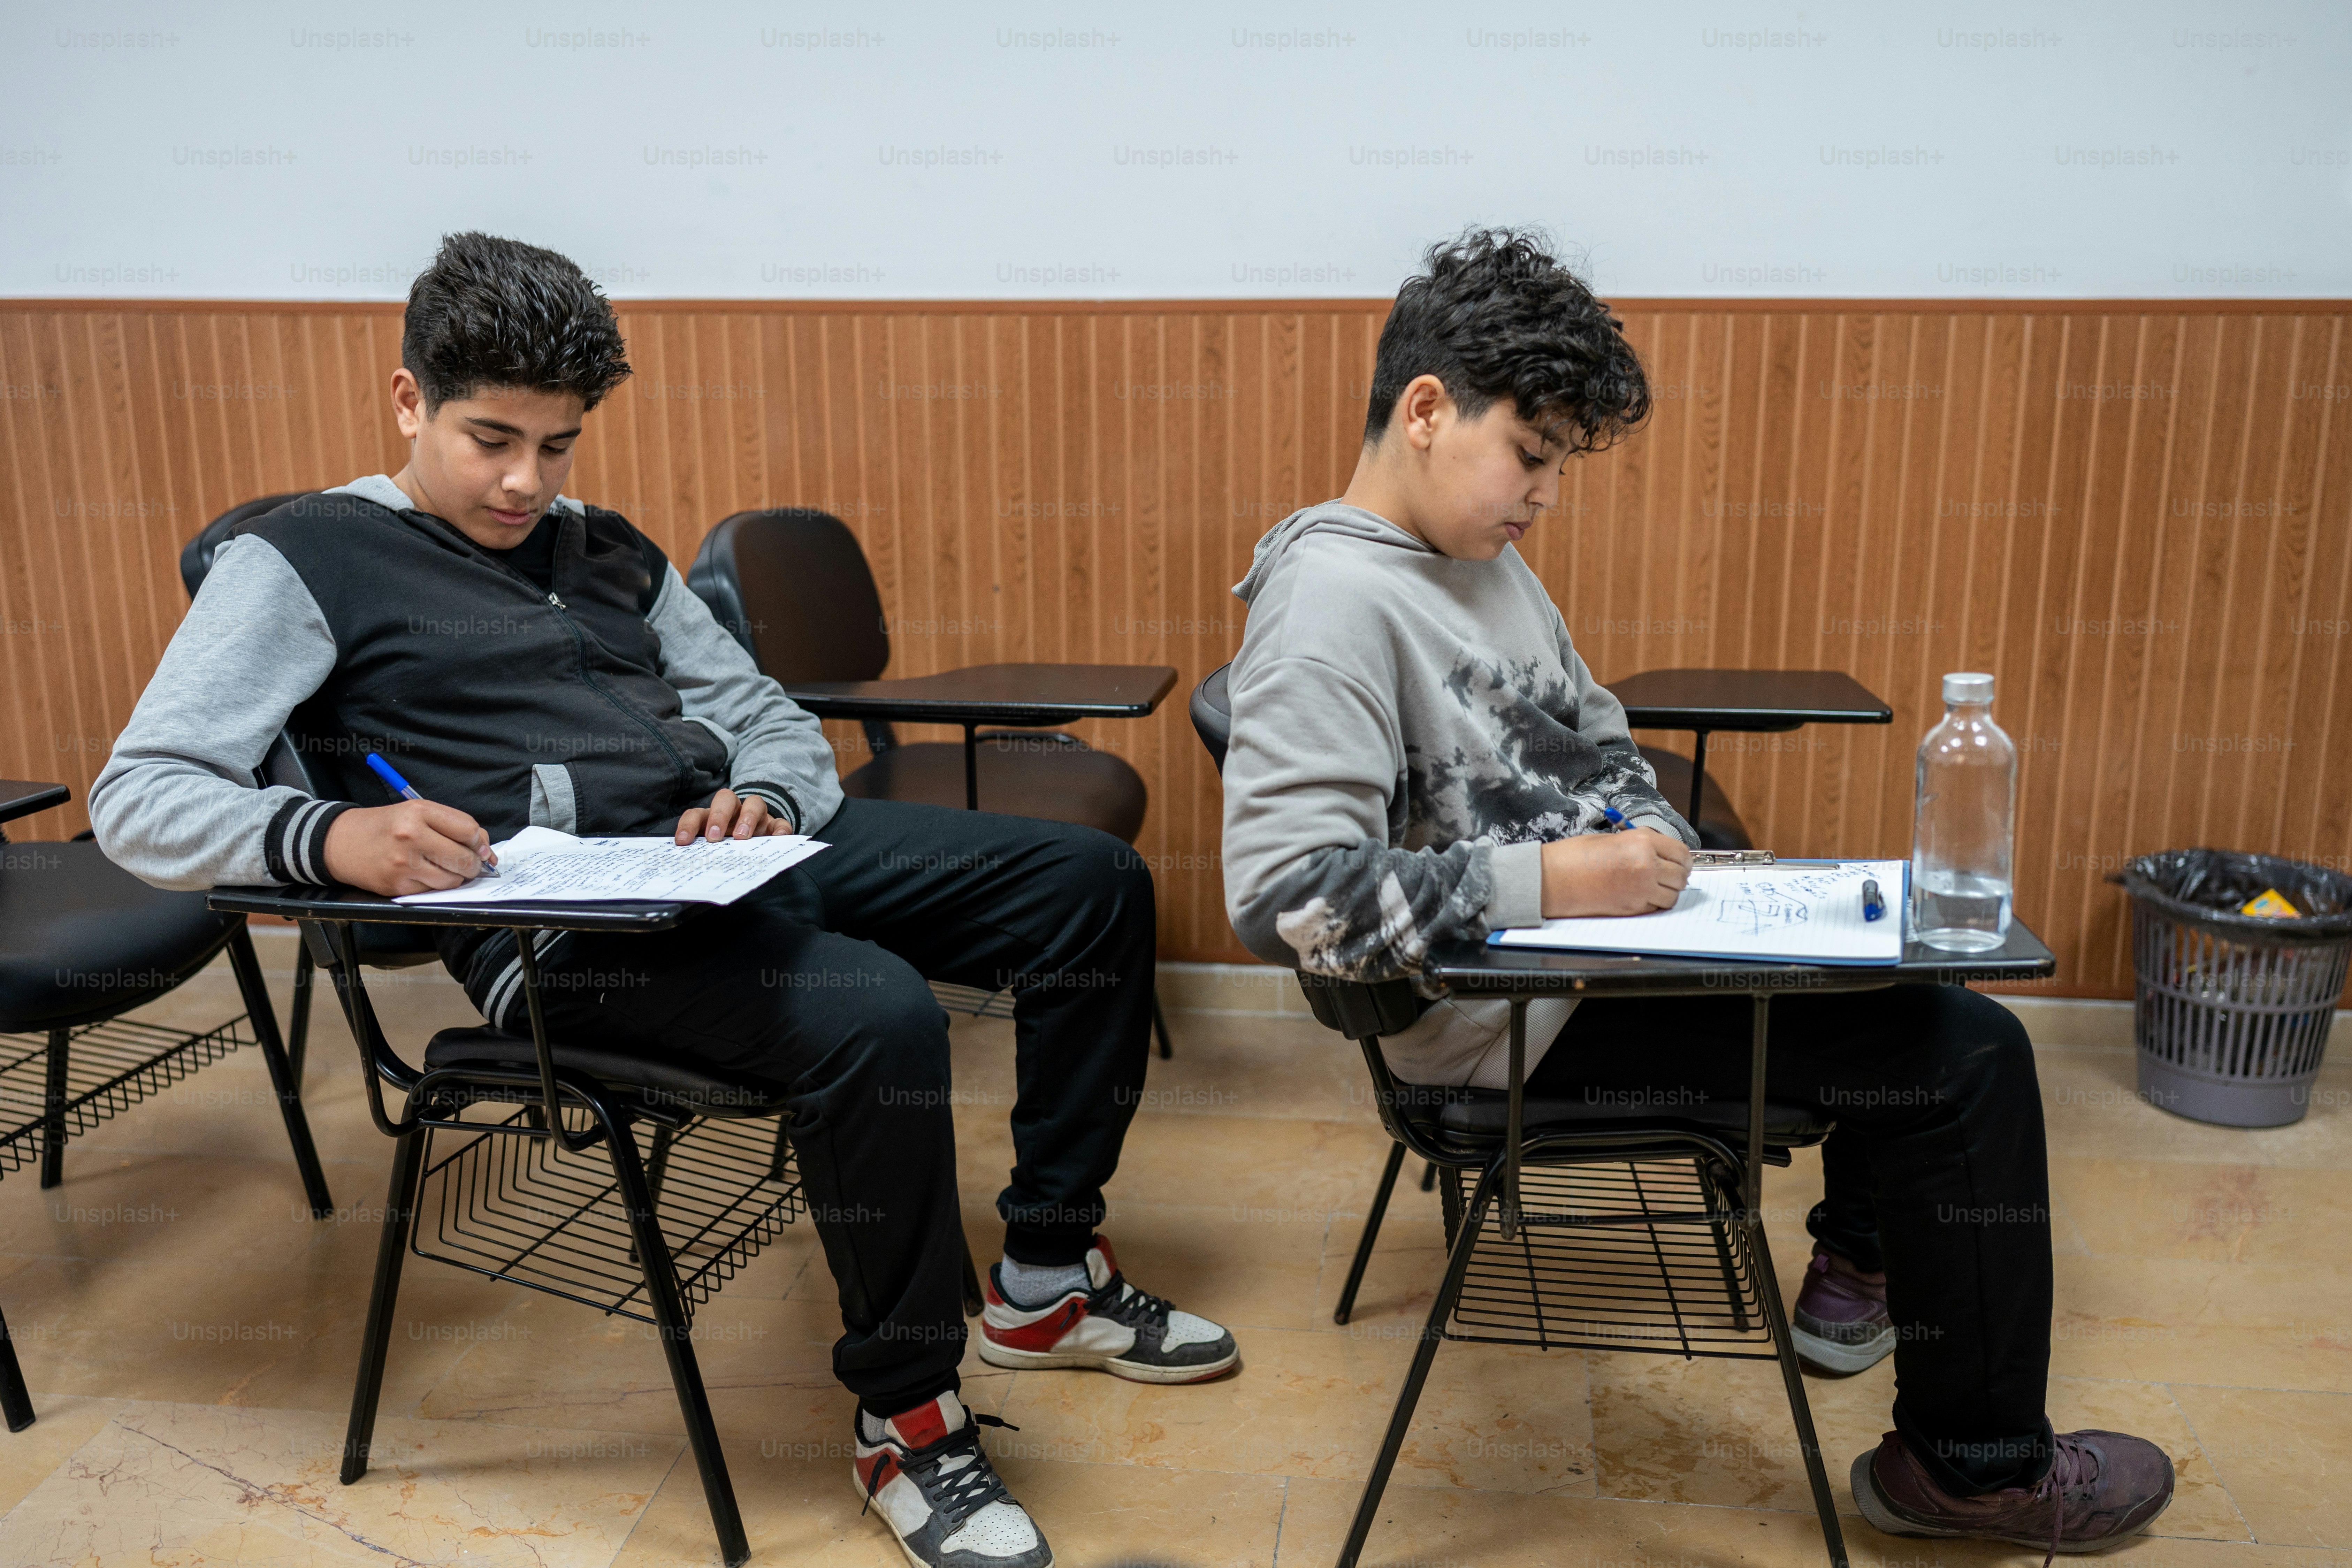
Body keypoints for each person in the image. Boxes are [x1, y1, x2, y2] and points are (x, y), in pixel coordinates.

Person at [92, 231, 1235, 1568]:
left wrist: (770, 793)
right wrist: (332, 834)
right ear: (407, 402)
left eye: (559, 443)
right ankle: (909, 1420)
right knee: (877, 1017)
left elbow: (762, 712)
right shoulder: (300, 557)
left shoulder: (609, 548)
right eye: (490, 439)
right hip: (560, 926)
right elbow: (139, 795)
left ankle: (1044, 1275)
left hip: (726, 856)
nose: (527, 480)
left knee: (1087, 882)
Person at [1218, 226, 2174, 1559]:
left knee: (1905, 954)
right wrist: (1554, 874)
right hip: (1513, 1014)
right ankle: (1972, 1468)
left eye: (1559, 464)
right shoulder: (1329, 605)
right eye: (1533, 453)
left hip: (1591, 949)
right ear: (1426, 410)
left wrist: (1663, 848)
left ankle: (1856, 1263)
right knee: (1966, 1058)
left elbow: (1594, 732)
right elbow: (1283, 896)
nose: (1545, 493)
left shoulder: (1477, 558)